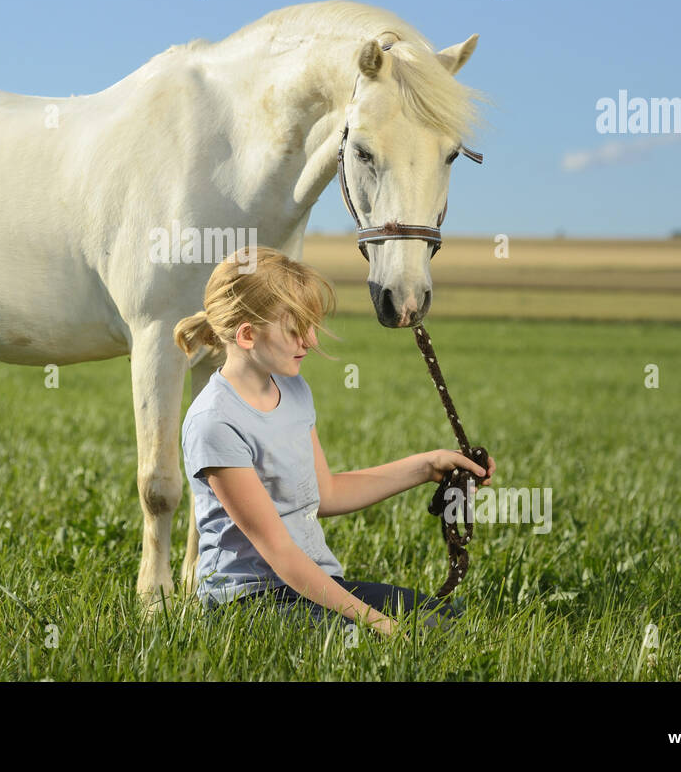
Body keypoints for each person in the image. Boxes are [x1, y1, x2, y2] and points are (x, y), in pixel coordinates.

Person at [173, 245, 495, 637]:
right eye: (296, 328)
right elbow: (280, 553)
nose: (309, 339)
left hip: (310, 586)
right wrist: (377, 623)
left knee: (446, 623)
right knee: (372, 641)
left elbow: (325, 493)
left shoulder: (293, 389)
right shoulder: (215, 422)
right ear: (247, 335)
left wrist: (428, 466)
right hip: (249, 602)